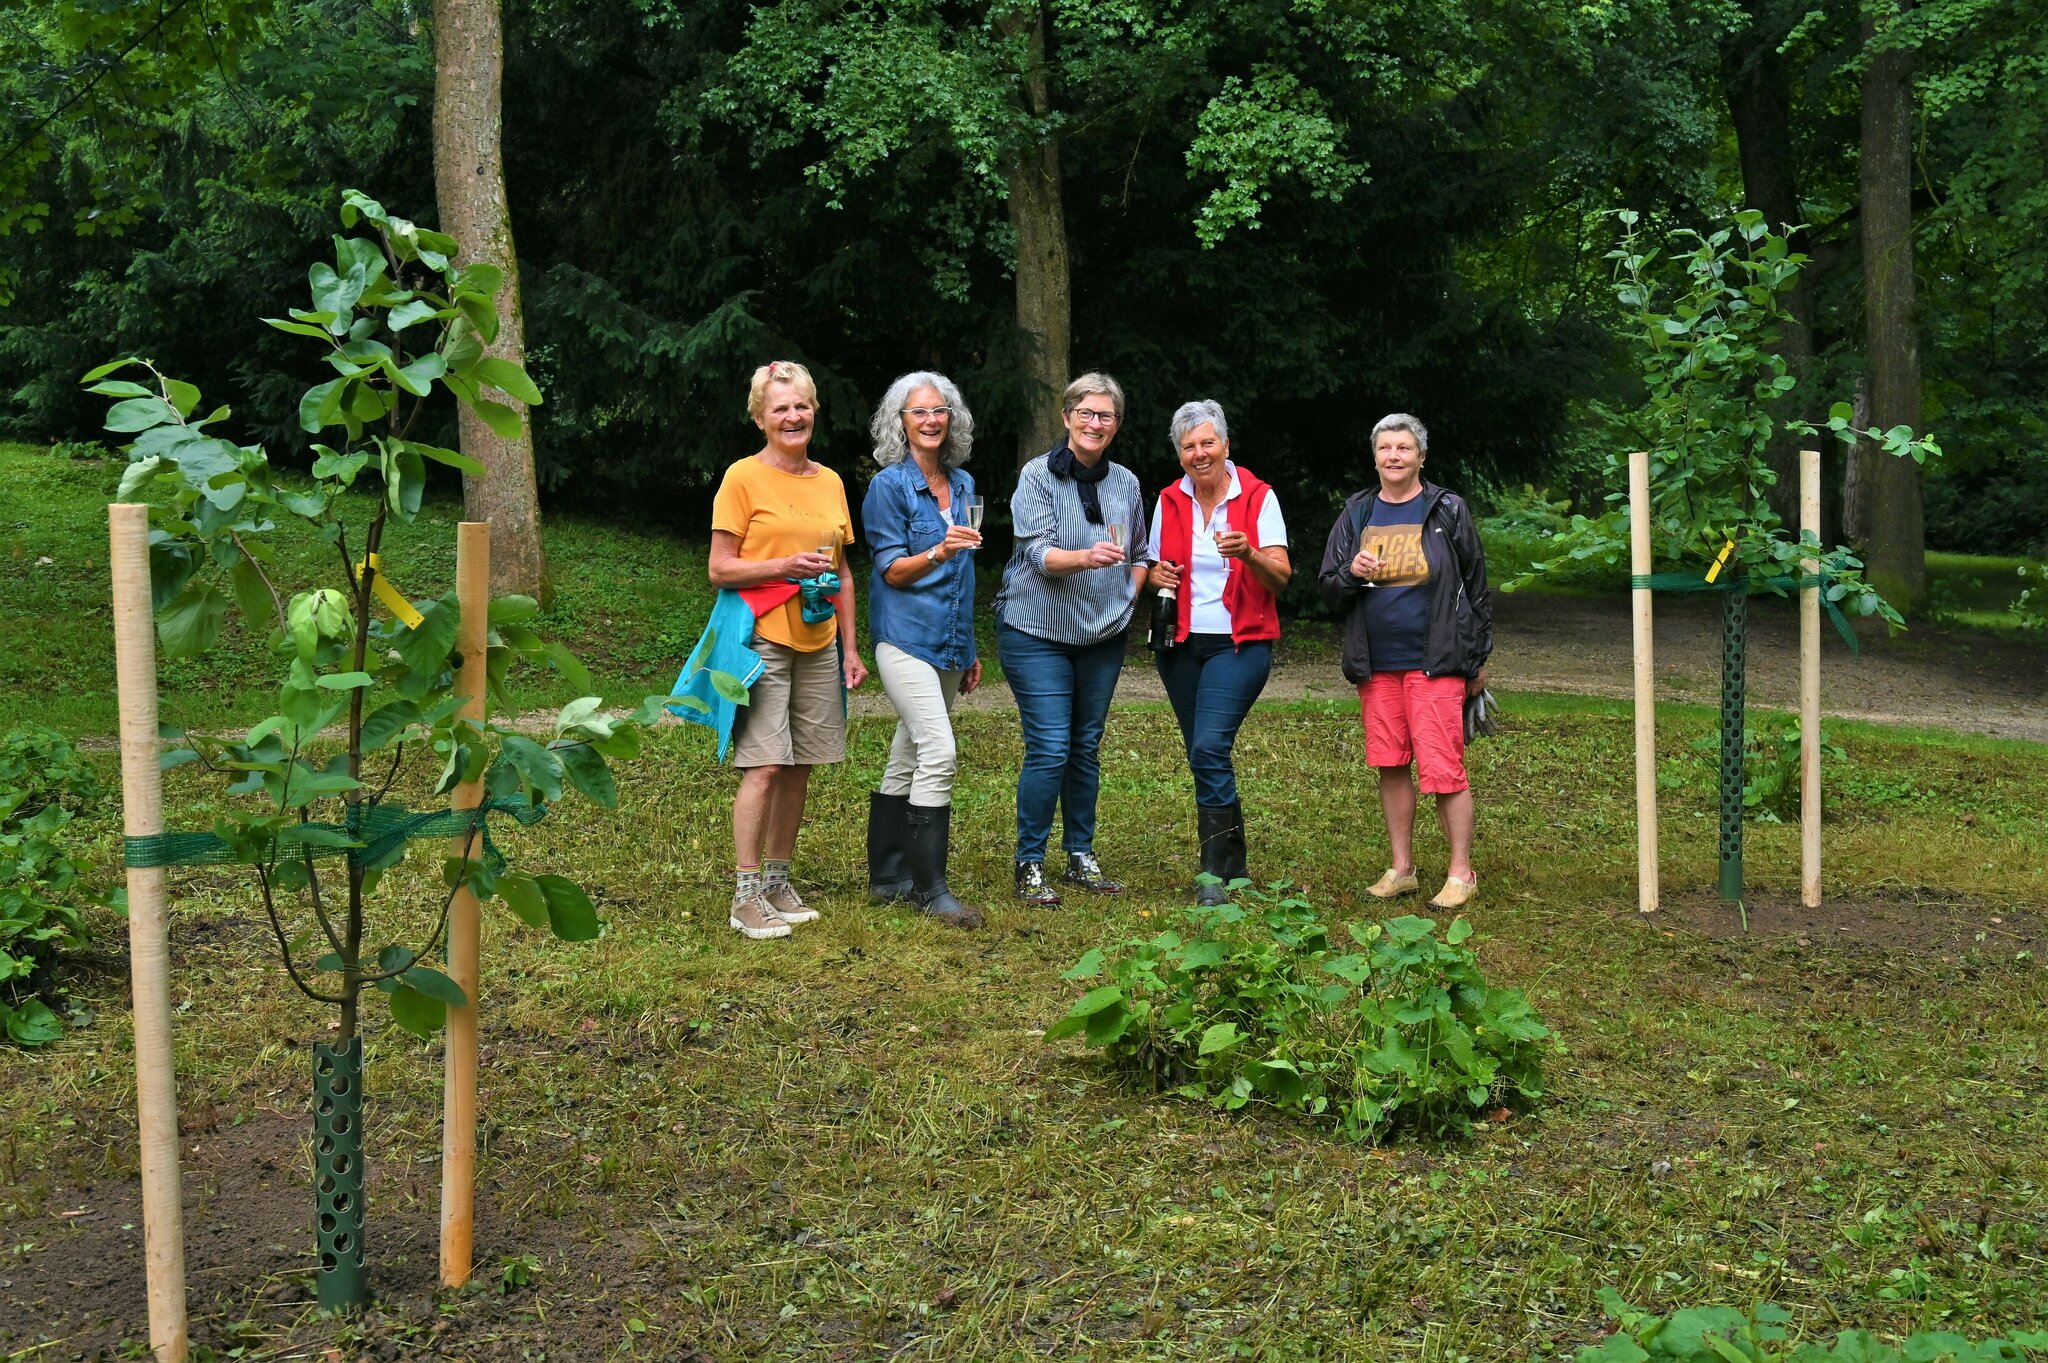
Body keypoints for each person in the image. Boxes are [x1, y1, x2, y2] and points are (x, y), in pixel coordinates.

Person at [707, 361, 869, 940]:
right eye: (779, 408)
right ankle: (746, 893)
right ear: (760, 418)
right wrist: (782, 566)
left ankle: (778, 880)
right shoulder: (742, 478)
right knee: (765, 765)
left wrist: (851, 649)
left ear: (814, 411)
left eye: (800, 405)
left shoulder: (830, 482)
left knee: (801, 765)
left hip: (819, 640)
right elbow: (719, 569)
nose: (792, 416)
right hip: (762, 639)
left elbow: (843, 573)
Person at [1318, 413, 1492, 910]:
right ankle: (1402, 869)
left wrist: (1478, 657)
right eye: (1385, 448)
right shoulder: (1356, 513)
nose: (1394, 456)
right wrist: (1351, 571)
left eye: (1404, 448)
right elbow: (1328, 588)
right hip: (1376, 663)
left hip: (1435, 661)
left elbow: (1476, 587)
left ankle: (1462, 872)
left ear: (1421, 456)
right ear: (1375, 456)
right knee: (1390, 764)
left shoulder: (1446, 510)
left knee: (1443, 769)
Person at [995, 372, 1151, 905]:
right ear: (1066, 418)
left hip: (1102, 636)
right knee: (1051, 746)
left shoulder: (1126, 483)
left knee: (1085, 747)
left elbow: (1140, 553)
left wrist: (1128, 597)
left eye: (1105, 415)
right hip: (1037, 630)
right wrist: (1087, 557)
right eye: (1085, 412)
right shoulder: (1037, 476)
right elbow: (1037, 554)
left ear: (1117, 425)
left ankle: (1080, 854)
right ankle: (1030, 862)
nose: (1094, 423)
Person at [1144, 400, 1291, 905]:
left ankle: (1211, 881)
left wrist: (1249, 553)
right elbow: (1153, 567)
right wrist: (1154, 576)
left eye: (1208, 443)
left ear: (1226, 446)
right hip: (1180, 645)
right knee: (1205, 754)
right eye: (1189, 446)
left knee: (1208, 748)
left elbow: (1282, 577)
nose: (1199, 453)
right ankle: (1235, 865)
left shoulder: (1258, 497)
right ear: (1179, 454)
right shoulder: (1169, 499)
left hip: (1240, 642)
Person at [861, 372, 986, 928]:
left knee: (909, 752)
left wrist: (971, 647)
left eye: (940, 411)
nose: (932, 420)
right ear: (900, 423)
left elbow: (967, 576)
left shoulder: (962, 485)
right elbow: (892, 571)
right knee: (940, 750)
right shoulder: (888, 487)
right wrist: (938, 549)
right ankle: (931, 890)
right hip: (904, 639)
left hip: (949, 642)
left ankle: (889, 877)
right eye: (919, 412)